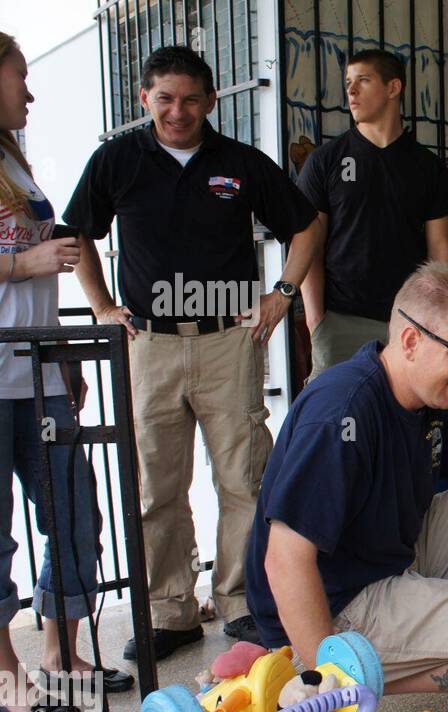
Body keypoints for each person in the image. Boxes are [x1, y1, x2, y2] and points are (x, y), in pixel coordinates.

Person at [65, 46, 323, 661]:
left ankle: (240, 604)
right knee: (155, 485)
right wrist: (102, 307)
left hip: (229, 339)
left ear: (211, 100)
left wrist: (282, 294)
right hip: (146, 342)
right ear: (144, 99)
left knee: (243, 480)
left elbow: (307, 224)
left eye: (189, 99)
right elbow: (78, 233)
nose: (177, 111)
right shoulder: (117, 160)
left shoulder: (239, 162)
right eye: (164, 98)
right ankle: (170, 612)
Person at [246, 261, 448, 708]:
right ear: (411, 340)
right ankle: (347, 679)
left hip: (394, 555)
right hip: (337, 603)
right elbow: (284, 561)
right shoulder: (341, 413)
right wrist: (326, 671)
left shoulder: (433, 392)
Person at [0, 32, 129, 712]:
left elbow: (43, 275)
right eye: (20, 76)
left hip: (38, 371)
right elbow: (28, 265)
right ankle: (7, 677)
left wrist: (65, 352)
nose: (31, 89)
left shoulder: (15, 165)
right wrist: (24, 264)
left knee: (75, 516)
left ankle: (63, 656)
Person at [298, 48, 448, 382]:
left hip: (411, 320)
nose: (351, 91)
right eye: (348, 83)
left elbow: (440, 250)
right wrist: (317, 321)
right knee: (338, 421)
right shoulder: (325, 161)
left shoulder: (427, 167)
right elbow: (308, 243)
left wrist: (438, 318)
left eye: (363, 80)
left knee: (409, 421)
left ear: (393, 88)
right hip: (340, 319)